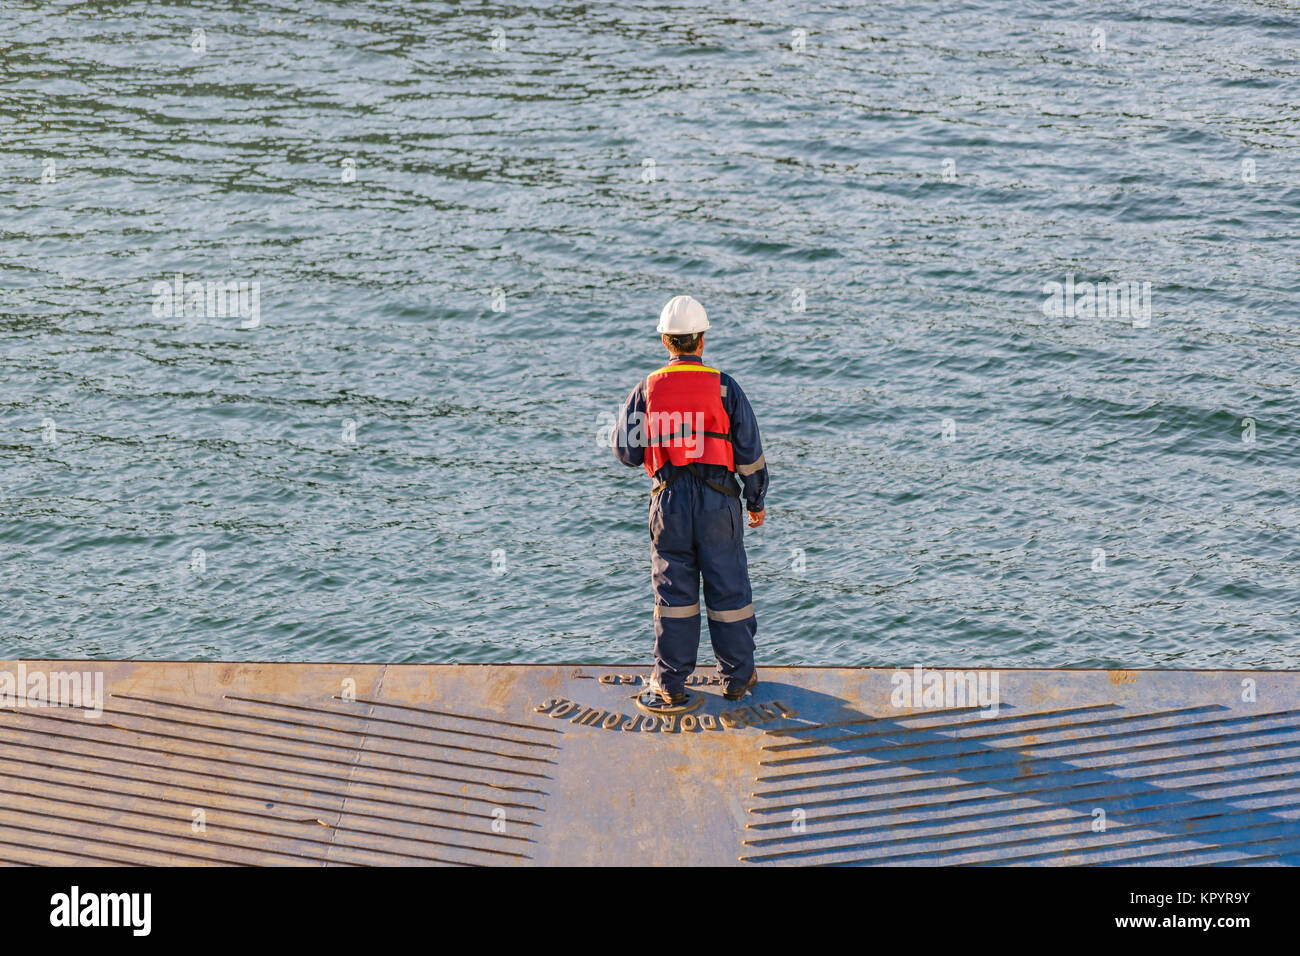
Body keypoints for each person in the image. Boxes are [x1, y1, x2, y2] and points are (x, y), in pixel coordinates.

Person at [611, 295, 769, 705]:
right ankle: (737, 678)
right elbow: (749, 453)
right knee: (729, 589)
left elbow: (626, 453)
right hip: (719, 503)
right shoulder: (724, 386)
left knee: (674, 595)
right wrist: (756, 501)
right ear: (701, 341)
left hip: (670, 503)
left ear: (666, 340)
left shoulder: (647, 388)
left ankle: (670, 683)